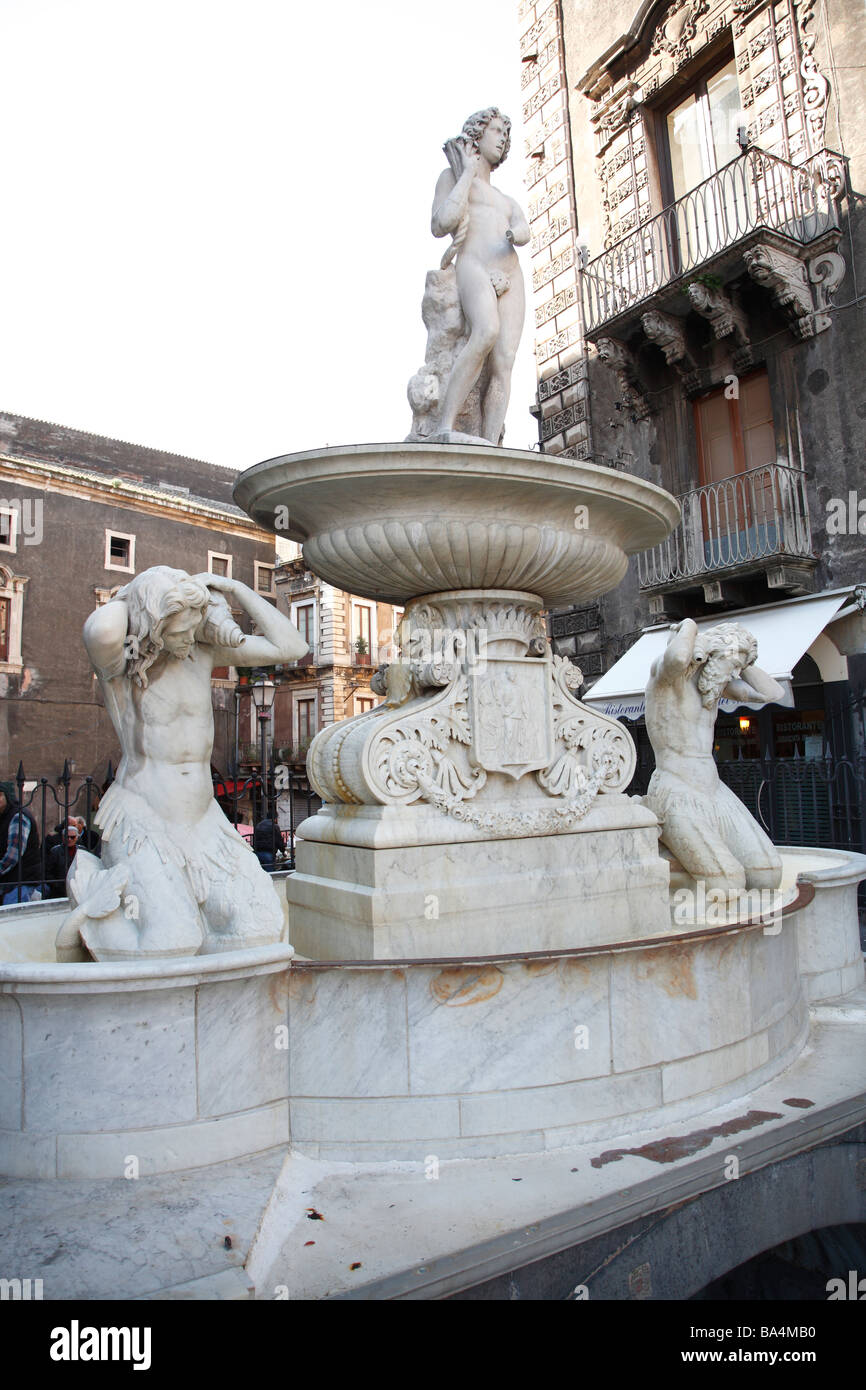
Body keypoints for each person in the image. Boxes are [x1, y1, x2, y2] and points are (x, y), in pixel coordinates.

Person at [57, 566, 308, 959]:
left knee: (259, 929)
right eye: (177, 631)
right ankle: (91, 910)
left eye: (192, 629)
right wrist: (143, 591)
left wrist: (235, 588)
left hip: (204, 821)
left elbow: (291, 646)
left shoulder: (201, 650)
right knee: (171, 941)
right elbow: (100, 629)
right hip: (144, 818)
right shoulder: (121, 666)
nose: (186, 639)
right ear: (151, 625)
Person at [644, 620, 785, 893]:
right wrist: (690, 627)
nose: (735, 674)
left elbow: (772, 693)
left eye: (738, 669)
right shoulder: (665, 679)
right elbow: (677, 658)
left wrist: (741, 657)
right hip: (676, 789)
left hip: (714, 791)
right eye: (732, 665)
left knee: (766, 874)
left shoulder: (717, 685)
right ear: (710, 652)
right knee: (726, 884)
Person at [429, 107, 529, 444]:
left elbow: (523, 228)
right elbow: (441, 224)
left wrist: (516, 233)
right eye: (497, 131)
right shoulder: (453, 177)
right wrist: (467, 173)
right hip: (472, 264)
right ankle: (445, 424)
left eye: (506, 134)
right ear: (478, 134)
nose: (503, 139)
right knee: (485, 331)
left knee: (505, 360)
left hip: (509, 271)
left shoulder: (506, 200)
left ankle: (491, 445)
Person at [0, 779, 43, 904]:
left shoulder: (18, 817)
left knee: (13, 918)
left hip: (20, 881)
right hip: (9, 881)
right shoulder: (3, 817)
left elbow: (13, 855)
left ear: (8, 797)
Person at [46, 823, 80, 899]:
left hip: (78, 889)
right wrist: (57, 885)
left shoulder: (81, 850)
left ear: (77, 837)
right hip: (59, 891)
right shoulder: (55, 851)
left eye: (72, 837)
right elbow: (48, 872)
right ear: (62, 837)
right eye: (67, 837)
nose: (69, 839)